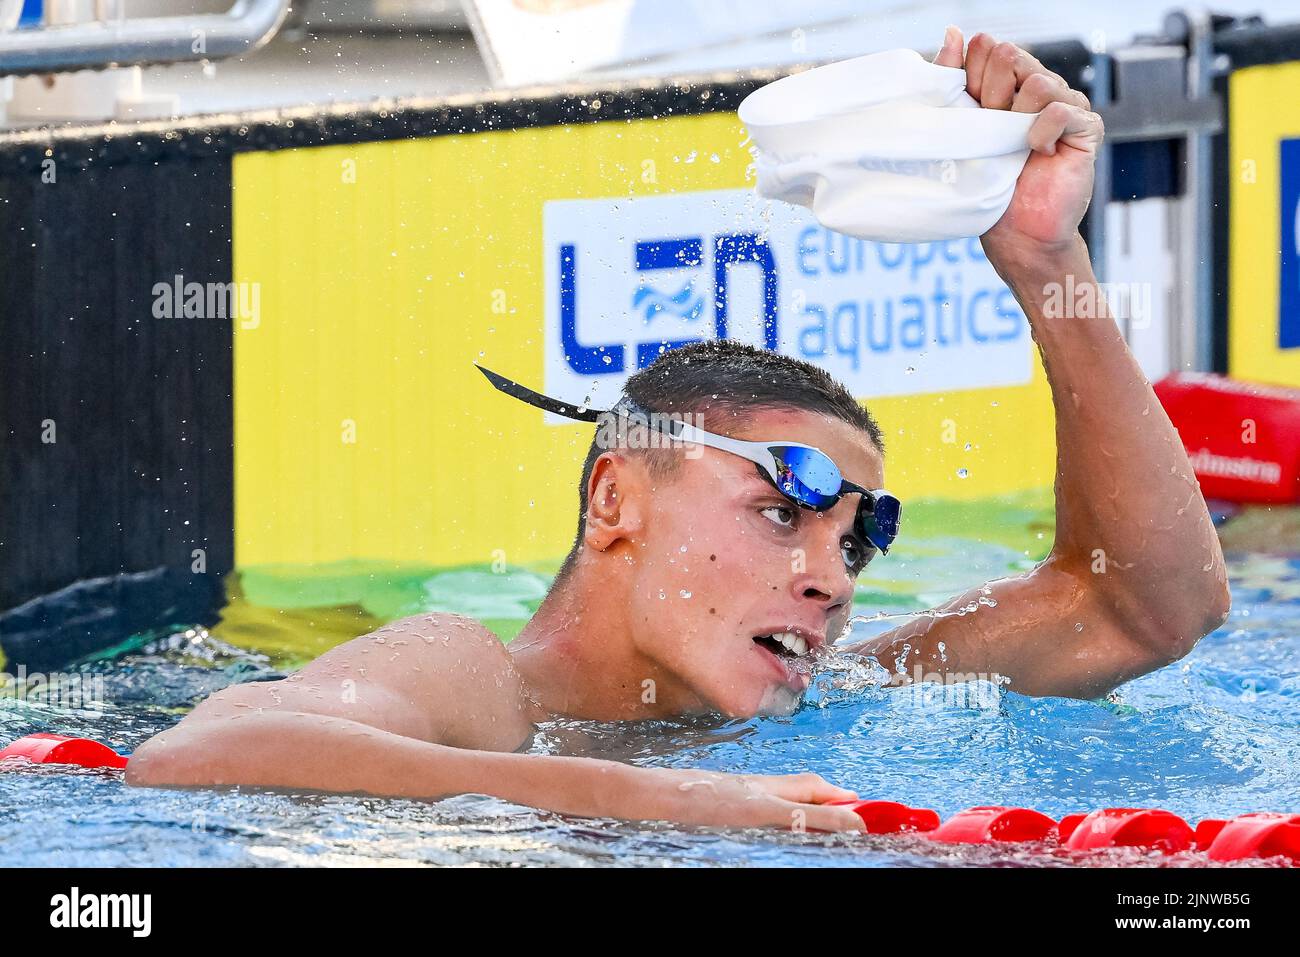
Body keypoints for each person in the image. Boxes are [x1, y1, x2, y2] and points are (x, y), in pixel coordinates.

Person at [126, 28, 1230, 834]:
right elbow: (202, 750)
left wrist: (1049, 265)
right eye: (780, 508)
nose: (830, 579)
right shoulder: (476, 682)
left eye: (856, 537)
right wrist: (656, 800)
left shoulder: (832, 700)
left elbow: (1143, 609)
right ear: (616, 501)